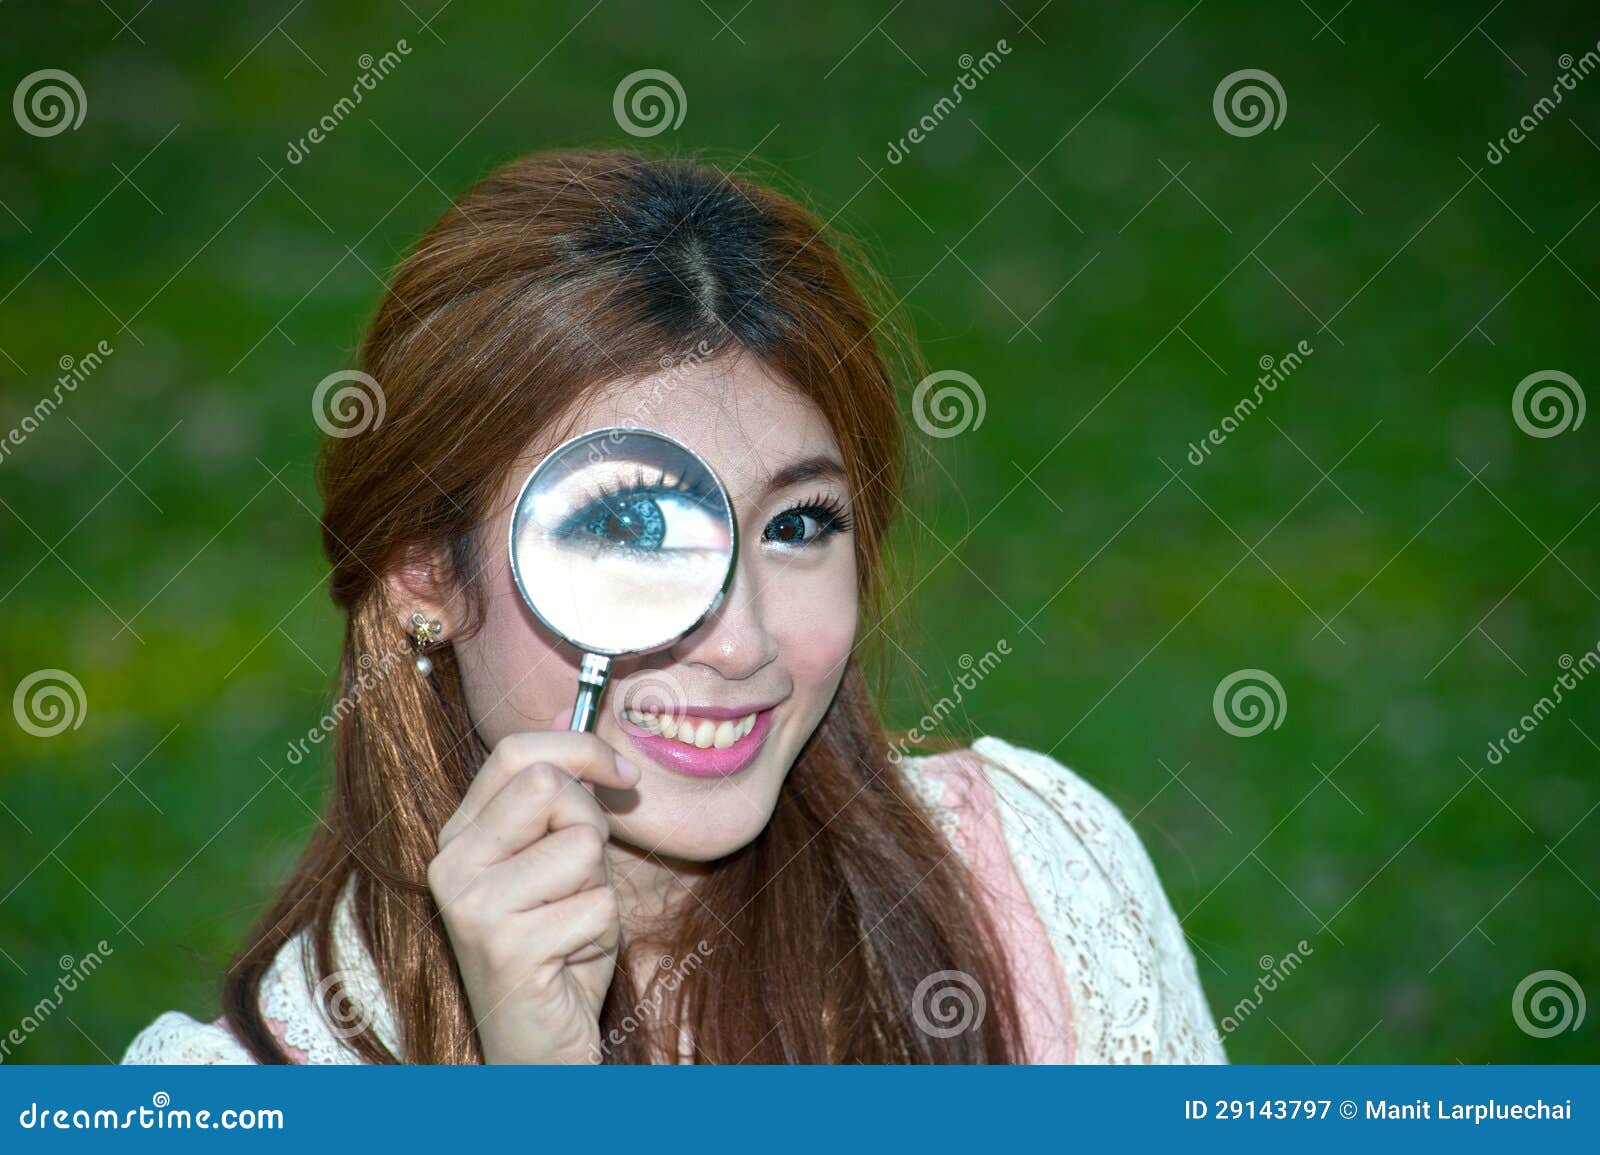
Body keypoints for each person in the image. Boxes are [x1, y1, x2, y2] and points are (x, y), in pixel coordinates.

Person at [121, 149, 1226, 1064]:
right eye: (630, 529)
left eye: (797, 526)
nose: (740, 641)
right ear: (424, 577)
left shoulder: (1034, 886)